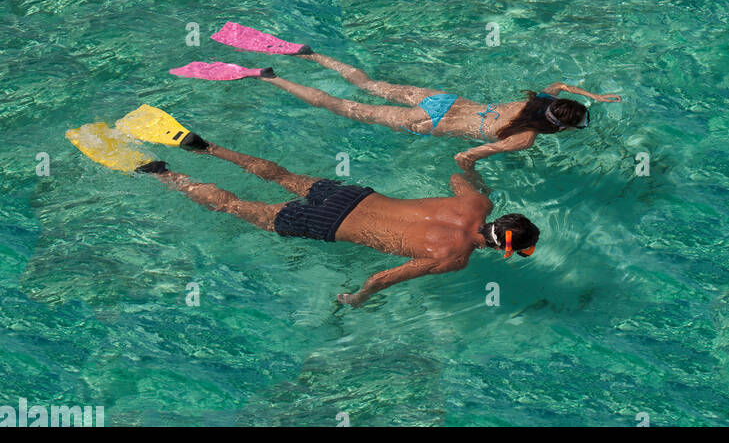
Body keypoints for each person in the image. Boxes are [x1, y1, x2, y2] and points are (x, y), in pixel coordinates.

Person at [138, 132, 539, 305]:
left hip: (352, 195)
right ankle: (163, 175)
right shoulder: (455, 258)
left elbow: (457, 174)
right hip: (331, 226)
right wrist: (357, 298)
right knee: (235, 207)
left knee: (281, 175)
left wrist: (478, 185)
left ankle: (209, 148)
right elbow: (382, 278)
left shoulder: (476, 205)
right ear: (503, 247)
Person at [247, 47, 620, 161]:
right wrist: (475, 184)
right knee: (339, 106)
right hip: (428, 121)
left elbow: (559, 83)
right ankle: (271, 77)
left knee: (369, 85)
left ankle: (312, 57)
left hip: (441, 100)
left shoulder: (536, 101)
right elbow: (464, 157)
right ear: (561, 126)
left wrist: (593, 97)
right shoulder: (524, 139)